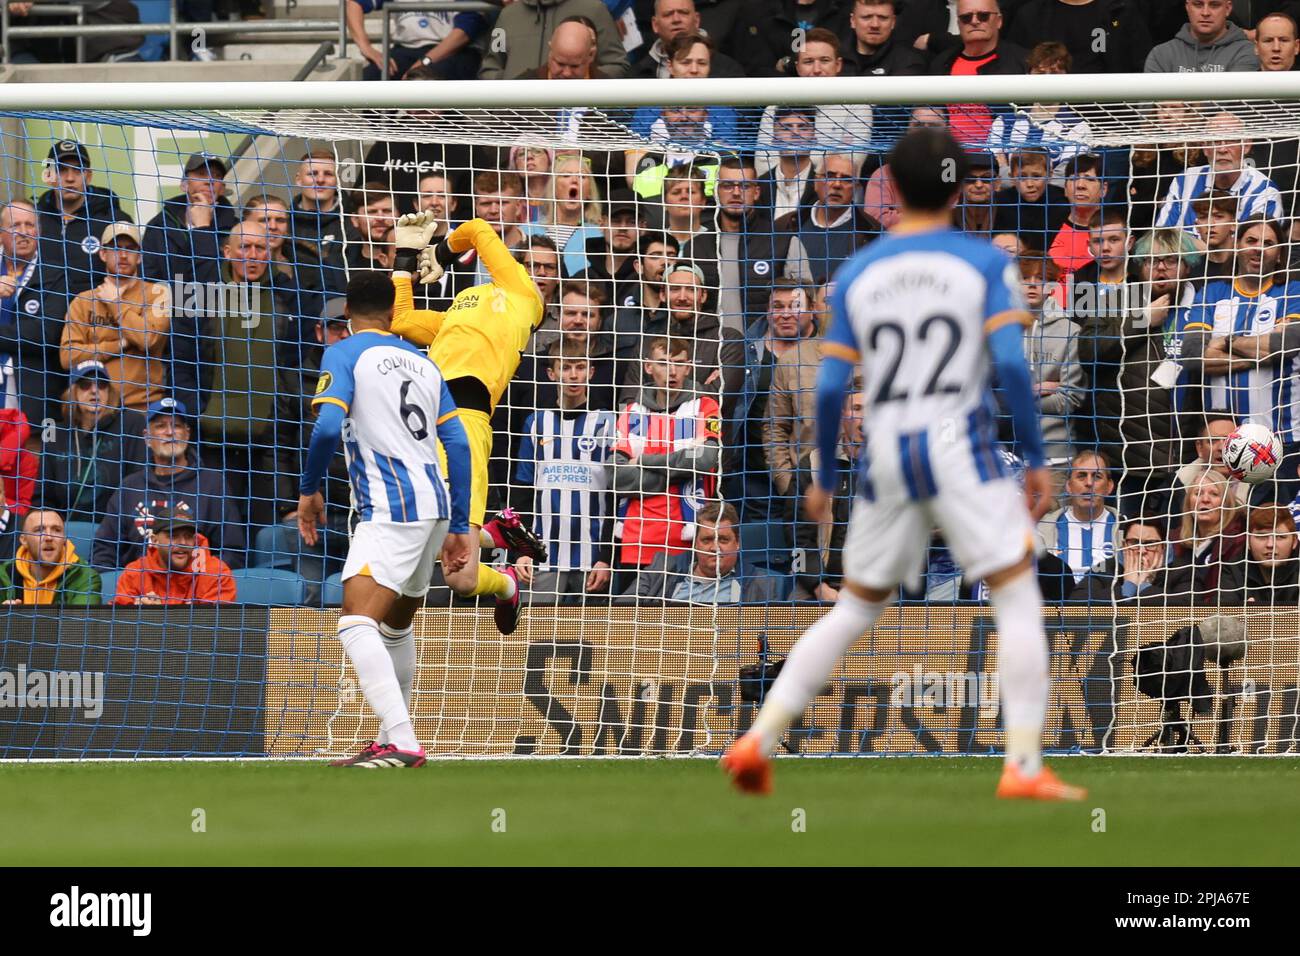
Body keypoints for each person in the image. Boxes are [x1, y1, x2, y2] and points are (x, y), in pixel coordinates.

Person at [722, 127, 1083, 801]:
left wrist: (828, 476)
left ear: (889, 187)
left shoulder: (861, 270)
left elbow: (831, 387)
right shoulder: (982, 264)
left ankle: (758, 739)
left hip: (885, 455)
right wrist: (1034, 458)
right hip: (960, 449)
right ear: (956, 188)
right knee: (1015, 595)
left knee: (854, 611)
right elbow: (1008, 363)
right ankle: (1025, 767)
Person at [297, 271, 473, 769]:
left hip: (391, 506)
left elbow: (328, 424)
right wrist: (459, 522)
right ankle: (388, 739)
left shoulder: (345, 352)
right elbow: (458, 444)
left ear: (347, 314)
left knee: (355, 622)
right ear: (396, 315)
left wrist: (309, 490)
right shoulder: (424, 362)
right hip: (434, 503)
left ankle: (403, 740)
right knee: (394, 628)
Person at [387, 213, 550, 634]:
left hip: (465, 423)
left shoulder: (520, 295)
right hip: (424, 428)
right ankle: (502, 547)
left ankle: (502, 561)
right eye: (538, 268)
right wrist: (405, 257)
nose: (540, 276)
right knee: (443, 554)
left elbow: (478, 228)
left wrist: (437, 252)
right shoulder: (457, 311)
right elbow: (401, 321)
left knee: (460, 578)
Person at [607, 336, 721, 595]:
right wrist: (676, 473)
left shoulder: (704, 406)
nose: (671, 371)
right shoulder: (634, 411)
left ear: (689, 367)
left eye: (679, 364)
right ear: (648, 367)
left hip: (685, 539)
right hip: (637, 538)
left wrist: (645, 461)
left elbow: (705, 459)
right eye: (663, 363)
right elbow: (616, 475)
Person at [511, 339, 616, 604]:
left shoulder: (607, 423)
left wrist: (607, 556)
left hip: (592, 555)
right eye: (565, 367)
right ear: (551, 373)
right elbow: (523, 491)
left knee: (592, 635)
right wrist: (522, 549)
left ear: (590, 372)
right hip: (543, 553)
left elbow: (616, 494)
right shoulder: (536, 422)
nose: (573, 375)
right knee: (537, 632)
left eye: (580, 367)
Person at [92, 397, 245, 571]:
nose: (170, 432)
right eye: (160, 426)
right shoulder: (129, 487)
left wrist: (192, 583)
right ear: (147, 438)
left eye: (177, 426)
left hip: (195, 590)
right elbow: (103, 551)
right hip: (139, 591)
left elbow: (233, 553)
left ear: (187, 434)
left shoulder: (213, 484)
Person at [59, 222, 170, 413]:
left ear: (140, 257)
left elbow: (148, 338)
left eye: (130, 249)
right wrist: (120, 345)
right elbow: (68, 357)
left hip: (143, 407)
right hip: (95, 408)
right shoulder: (84, 301)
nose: (123, 255)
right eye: (116, 248)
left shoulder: (158, 293)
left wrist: (115, 302)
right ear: (103, 254)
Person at [40, 360, 148, 524]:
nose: (94, 391)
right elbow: (42, 497)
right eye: (85, 385)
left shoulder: (132, 424)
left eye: (102, 384)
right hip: (62, 535)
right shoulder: (54, 432)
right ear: (72, 392)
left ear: (110, 391)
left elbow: (140, 485)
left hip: (117, 531)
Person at [623, 501, 779, 603]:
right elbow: (621, 614)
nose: (715, 547)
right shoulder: (660, 569)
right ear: (695, 543)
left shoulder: (764, 583)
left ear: (737, 543)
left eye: (723, 540)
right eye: (707, 540)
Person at [35, 139, 131, 297]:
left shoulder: (113, 220)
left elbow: (131, 276)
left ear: (88, 176)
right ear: (49, 176)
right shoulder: (34, 219)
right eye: (61, 170)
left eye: (77, 170)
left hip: (96, 314)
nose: (70, 178)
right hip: (42, 314)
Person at [1156, 113, 1283, 229]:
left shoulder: (1264, 192)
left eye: (1231, 139)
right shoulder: (1185, 180)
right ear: (1205, 148)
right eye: (1215, 141)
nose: (1222, 149)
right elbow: (1161, 238)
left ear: (1247, 146)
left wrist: (1191, 243)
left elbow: (1257, 249)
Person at [113, 505, 236, 607]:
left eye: (188, 536)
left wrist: (162, 616)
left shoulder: (216, 572)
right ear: (155, 541)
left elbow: (215, 628)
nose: (182, 542)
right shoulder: (135, 572)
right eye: (173, 536)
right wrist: (135, 613)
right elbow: (115, 626)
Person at [477, 0, 628, 80]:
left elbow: (617, 64)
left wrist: (582, 79)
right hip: (518, 120)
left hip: (577, 122)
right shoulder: (507, 16)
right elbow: (491, 66)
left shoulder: (594, 10)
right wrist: (511, 84)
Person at [1035, 449, 1121, 586]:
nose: (1088, 483)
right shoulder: (1044, 529)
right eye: (1081, 476)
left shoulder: (1125, 528)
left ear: (1109, 486)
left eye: (1097, 476)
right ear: (1069, 486)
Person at [1163, 466, 1247, 604]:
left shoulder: (1238, 541)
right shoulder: (1173, 541)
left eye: (1214, 494)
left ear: (1226, 503)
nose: (1205, 499)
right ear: (1189, 502)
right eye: (1198, 493)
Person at [346, 0, 485, 81]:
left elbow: (465, 31)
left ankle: (443, 131)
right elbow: (354, 3)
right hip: (406, 49)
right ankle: (386, 130)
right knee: (371, 79)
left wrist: (424, 61)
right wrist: (367, 48)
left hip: (453, 51)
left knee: (427, 83)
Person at [0, 507, 101, 606]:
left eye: (56, 530)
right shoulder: (3, 575)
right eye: (39, 530)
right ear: (24, 540)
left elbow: (78, 622)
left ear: (64, 538)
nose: (49, 537)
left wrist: (16, 621)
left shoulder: (86, 578)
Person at [1069, 517, 1168, 603]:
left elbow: (1181, 610)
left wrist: (1144, 588)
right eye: (1134, 542)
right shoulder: (1104, 567)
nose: (1142, 551)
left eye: (1150, 543)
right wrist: (1127, 589)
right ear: (1124, 545)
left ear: (1163, 547)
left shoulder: (1179, 570)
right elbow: (1076, 602)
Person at [1144, 0, 1259, 72]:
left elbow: (1236, 103)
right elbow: (1146, 106)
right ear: (1187, 7)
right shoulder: (1161, 54)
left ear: (1228, 9)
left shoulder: (1248, 51)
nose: (1205, 13)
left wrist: (1180, 104)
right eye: (1198, 4)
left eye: (1214, 5)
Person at [1235, 505, 1300, 604]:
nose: (1270, 544)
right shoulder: (1233, 568)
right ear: (1248, 541)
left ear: (1294, 542)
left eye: (1279, 537)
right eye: (1262, 536)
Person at [844, 0, 927, 76]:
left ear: (893, 22)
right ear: (853, 20)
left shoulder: (909, 62)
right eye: (867, 17)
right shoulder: (836, 57)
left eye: (883, 18)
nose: (875, 25)